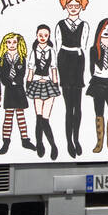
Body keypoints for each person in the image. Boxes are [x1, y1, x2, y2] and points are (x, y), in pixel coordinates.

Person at [55, 0, 91, 158]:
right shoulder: (60, 24)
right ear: (66, 7)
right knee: (69, 106)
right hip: (65, 59)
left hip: (78, 60)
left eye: (77, 5)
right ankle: (69, 141)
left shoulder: (85, 24)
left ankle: (77, 139)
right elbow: (57, 45)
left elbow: (84, 45)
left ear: (81, 7)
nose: (74, 7)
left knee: (78, 105)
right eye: (71, 5)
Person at [85, 18, 108, 154]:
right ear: (100, 30)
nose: (107, 31)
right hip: (98, 82)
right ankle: (99, 142)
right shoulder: (94, 49)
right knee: (99, 112)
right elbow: (91, 68)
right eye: (105, 28)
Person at [26, 24, 61, 159]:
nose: (43, 38)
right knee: (38, 117)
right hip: (36, 83)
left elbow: (53, 69)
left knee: (45, 118)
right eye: (40, 35)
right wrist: (28, 84)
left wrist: (56, 84)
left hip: (48, 83)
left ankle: (52, 145)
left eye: (45, 35)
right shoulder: (33, 51)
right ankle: (40, 143)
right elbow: (30, 70)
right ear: (36, 35)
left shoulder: (51, 51)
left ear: (49, 36)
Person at [0, 32, 34, 155]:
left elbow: (22, 73)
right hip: (9, 89)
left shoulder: (21, 57)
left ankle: (25, 140)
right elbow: (1, 74)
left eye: (14, 42)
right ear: (5, 43)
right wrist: (8, 82)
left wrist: (15, 82)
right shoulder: (1, 59)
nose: (11, 45)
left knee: (20, 115)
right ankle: (6, 141)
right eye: (9, 42)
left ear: (18, 44)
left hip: (18, 88)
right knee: (8, 116)